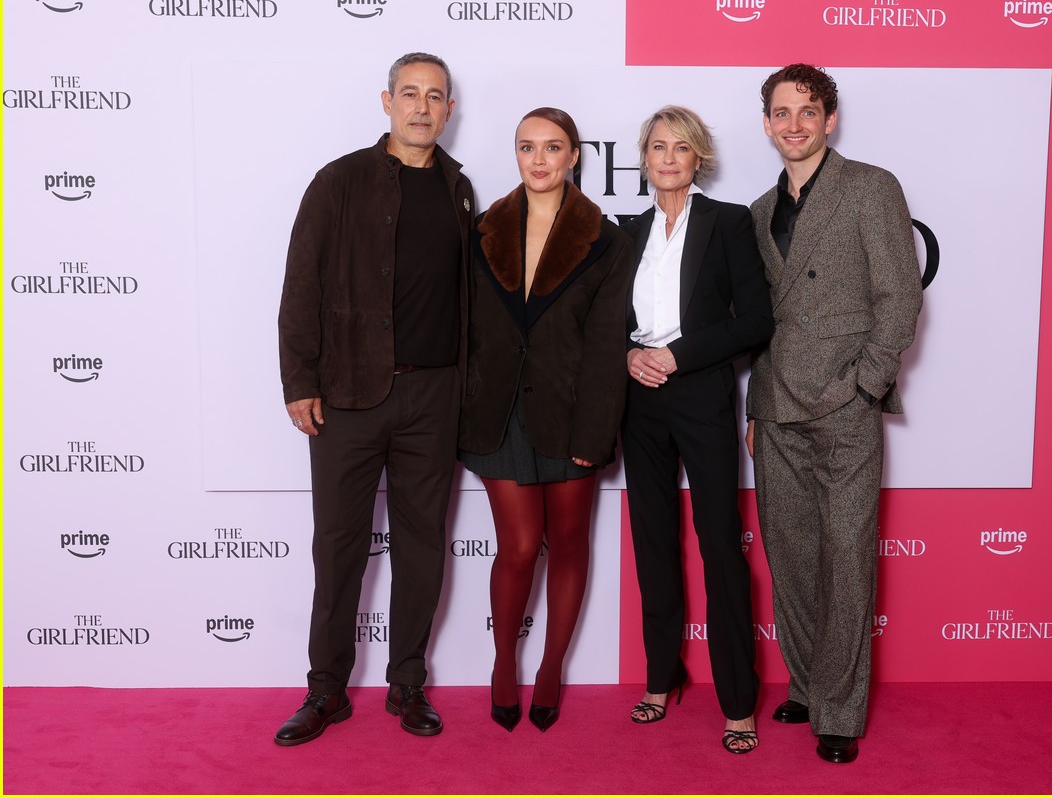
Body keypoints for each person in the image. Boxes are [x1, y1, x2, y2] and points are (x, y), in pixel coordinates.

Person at [274, 52, 473, 746]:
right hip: (349, 394)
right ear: (386, 102)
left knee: (423, 545)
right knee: (338, 545)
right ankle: (325, 689)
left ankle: (407, 682)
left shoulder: (459, 187)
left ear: (449, 109)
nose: (423, 107)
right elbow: (301, 283)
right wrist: (299, 379)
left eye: (436, 97)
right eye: (410, 94)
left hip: (435, 393)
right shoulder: (340, 180)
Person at [745, 64, 923, 764]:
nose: (794, 124)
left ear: (830, 119)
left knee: (845, 556)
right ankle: (808, 681)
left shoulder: (871, 188)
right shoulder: (758, 212)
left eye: (807, 111)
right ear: (766, 124)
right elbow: (760, 320)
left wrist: (866, 385)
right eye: (781, 113)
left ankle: (840, 708)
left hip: (845, 403)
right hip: (777, 404)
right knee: (790, 554)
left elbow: (900, 297)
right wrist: (756, 403)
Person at [458, 107, 633, 733]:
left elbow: (608, 341)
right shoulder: (481, 231)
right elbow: (470, 333)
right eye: (527, 147)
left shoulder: (607, 240)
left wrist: (596, 430)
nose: (539, 159)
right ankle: (504, 660)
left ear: (573, 156)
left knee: (569, 546)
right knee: (520, 547)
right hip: (498, 414)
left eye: (552, 147)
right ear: (516, 154)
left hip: (572, 415)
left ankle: (552, 665)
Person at [620, 106, 773, 754]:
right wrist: (627, 356)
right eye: (658, 146)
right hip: (639, 400)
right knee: (653, 544)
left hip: (702, 394)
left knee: (719, 547)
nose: (669, 157)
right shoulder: (627, 231)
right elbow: (603, 323)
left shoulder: (729, 222)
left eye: (681, 147)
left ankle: (738, 701)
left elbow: (755, 320)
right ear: (645, 158)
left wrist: (679, 355)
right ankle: (661, 676)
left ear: (698, 157)